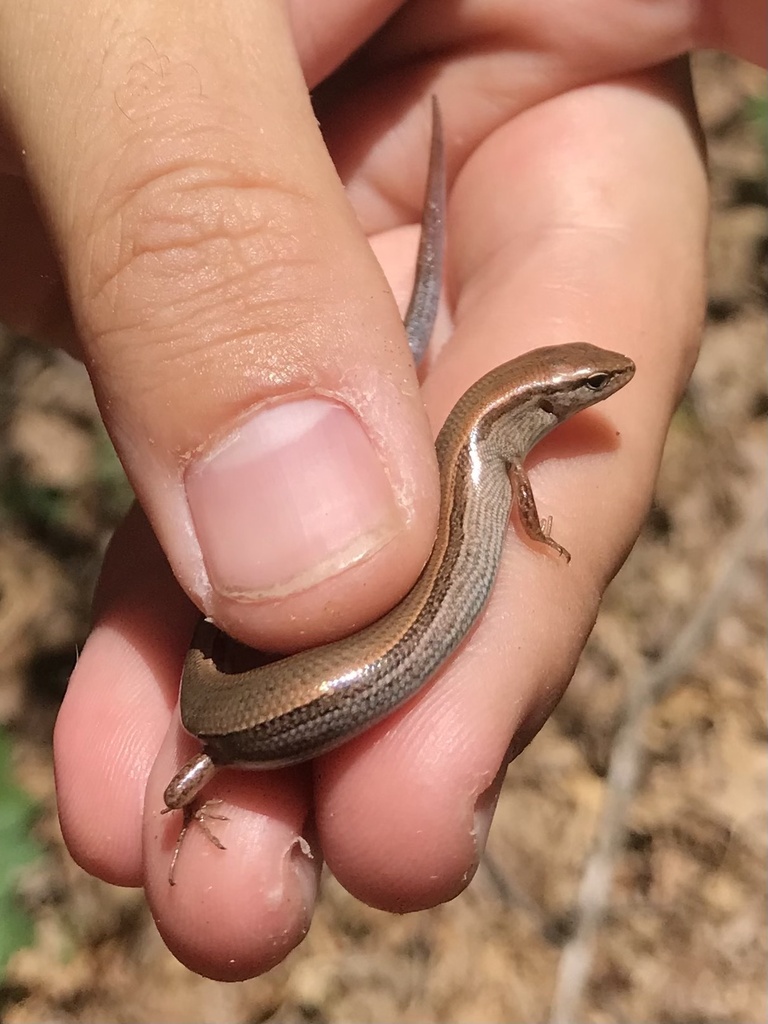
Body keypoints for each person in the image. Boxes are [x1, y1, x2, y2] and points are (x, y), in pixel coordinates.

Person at [1, 0, 761, 981]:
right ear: (542, 406)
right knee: (201, 770)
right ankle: (181, 800)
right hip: (235, 723)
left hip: (294, 674)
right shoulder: (489, 457)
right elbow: (214, 711)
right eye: (584, 387)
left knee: (397, 790)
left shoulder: (488, 450)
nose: (599, 391)